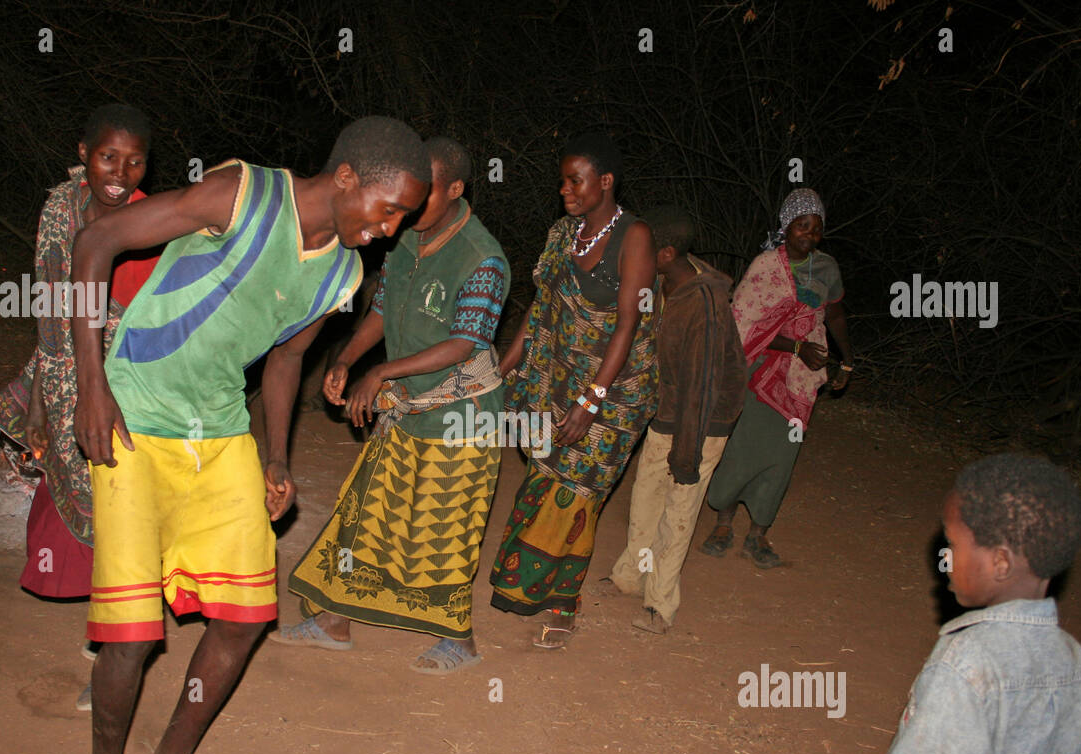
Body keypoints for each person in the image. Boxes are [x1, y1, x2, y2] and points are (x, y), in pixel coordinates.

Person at [67, 116, 431, 754]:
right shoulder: (242, 195)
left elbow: (287, 358)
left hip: (219, 430)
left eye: (403, 219)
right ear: (348, 177)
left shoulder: (344, 275)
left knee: (243, 614)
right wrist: (90, 386)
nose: (390, 229)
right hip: (136, 410)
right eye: (388, 208)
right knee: (133, 634)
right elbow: (94, 244)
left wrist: (276, 459)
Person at [276, 137, 510, 674]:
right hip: (409, 405)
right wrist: (349, 358)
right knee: (362, 513)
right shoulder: (408, 238)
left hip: (462, 418)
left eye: (425, 191)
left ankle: (460, 641)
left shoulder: (482, 258)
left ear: (455, 189)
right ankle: (333, 621)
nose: (410, 203)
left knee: (443, 532)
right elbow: (382, 306)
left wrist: (379, 371)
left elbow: (465, 342)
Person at [0, 103, 159, 710]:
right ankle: (109, 628)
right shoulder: (59, 208)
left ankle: (114, 638)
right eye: (109, 156)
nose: (121, 171)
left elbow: (146, 330)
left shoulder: (148, 224)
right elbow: (48, 306)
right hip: (61, 377)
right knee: (75, 504)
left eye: (135, 160)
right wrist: (39, 398)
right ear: (84, 152)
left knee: (118, 513)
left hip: (122, 386)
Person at [847, 454, 1081, 754]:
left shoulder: (965, 665)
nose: (944, 559)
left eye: (954, 545)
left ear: (1000, 563)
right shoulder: (1073, 662)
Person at [491, 132, 657, 648]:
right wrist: (508, 360)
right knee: (549, 473)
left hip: (617, 390)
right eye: (562, 179)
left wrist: (592, 400)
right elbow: (542, 307)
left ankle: (563, 604)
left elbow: (628, 324)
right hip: (559, 378)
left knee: (578, 490)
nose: (564, 189)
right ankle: (533, 584)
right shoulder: (563, 233)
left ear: (605, 182)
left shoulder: (635, 237)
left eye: (574, 180)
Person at [606, 206, 746, 633]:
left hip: (701, 420)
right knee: (646, 496)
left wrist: (686, 455)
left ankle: (660, 604)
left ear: (665, 253)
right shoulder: (671, 282)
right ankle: (632, 576)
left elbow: (702, 387)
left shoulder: (703, 307)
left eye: (644, 251)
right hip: (672, 410)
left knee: (679, 508)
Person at [699, 187, 854, 568]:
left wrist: (847, 361)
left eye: (816, 228)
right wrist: (796, 346)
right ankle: (722, 523)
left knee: (782, 456)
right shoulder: (766, 266)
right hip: (758, 370)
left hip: (801, 380)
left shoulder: (828, 268)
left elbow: (834, 315)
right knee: (742, 447)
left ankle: (759, 533)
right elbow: (742, 321)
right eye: (802, 226)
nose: (809, 235)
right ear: (786, 226)